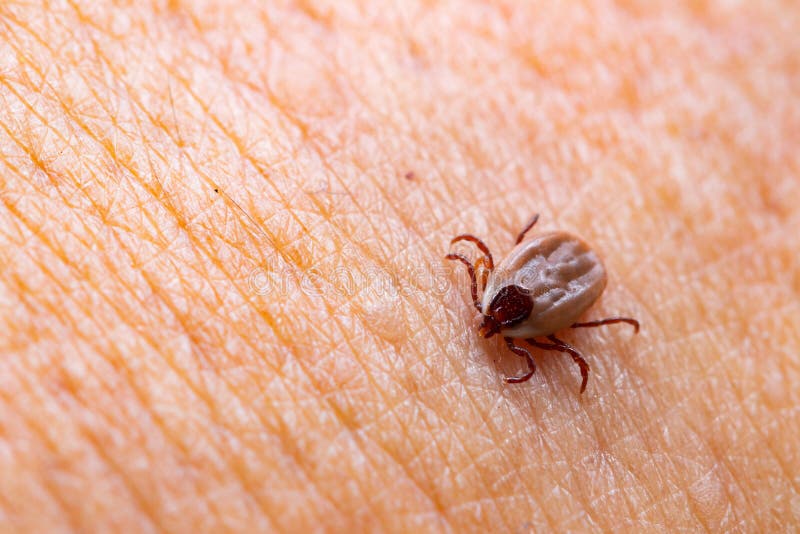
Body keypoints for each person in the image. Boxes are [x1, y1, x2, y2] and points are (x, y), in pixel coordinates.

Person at [1, 2, 798, 531]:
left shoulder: (503, 290)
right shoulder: (511, 305)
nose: (487, 322)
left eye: (493, 318)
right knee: (577, 323)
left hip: (558, 277)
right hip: (557, 278)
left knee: (578, 317)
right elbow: (551, 320)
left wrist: (516, 300)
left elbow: (532, 293)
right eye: (492, 314)